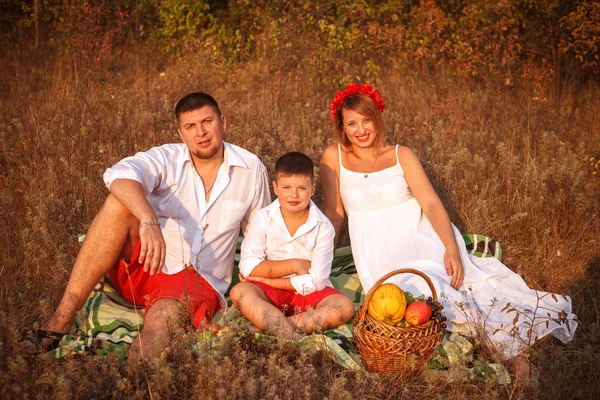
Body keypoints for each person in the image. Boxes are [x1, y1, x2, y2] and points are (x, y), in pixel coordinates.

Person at [320, 83, 577, 374]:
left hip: (420, 239)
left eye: (366, 120)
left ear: (377, 118)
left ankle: (511, 352)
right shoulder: (334, 157)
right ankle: (507, 348)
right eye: (352, 123)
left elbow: (430, 203)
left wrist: (451, 249)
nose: (361, 129)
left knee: (451, 290)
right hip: (379, 254)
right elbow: (335, 212)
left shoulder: (401, 154)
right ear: (342, 127)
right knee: (409, 293)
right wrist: (319, 257)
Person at [39, 92, 271, 359]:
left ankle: (135, 384)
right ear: (181, 133)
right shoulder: (167, 158)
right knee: (119, 203)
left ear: (223, 123)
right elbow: (118, 175)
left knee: (159, 326)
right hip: (145, 263)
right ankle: (62, 317)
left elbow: (260, 233)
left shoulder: (251, 169)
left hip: (193, 281)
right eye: (191, 126)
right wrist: (149, 221)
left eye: (208, 121)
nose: (201, 132)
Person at [230, 152, 355, 340]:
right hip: (269, 293)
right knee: (239, 293)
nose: (293, 195)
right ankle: (294, 337)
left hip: (304, 293)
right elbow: (248, 265)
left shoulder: (323, 226)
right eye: (286, 187)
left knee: (344, 307)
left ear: (312, 189)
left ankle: (275, 328)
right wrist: (295, 265)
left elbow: (317, 281)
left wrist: (268, 280)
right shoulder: (263, 217)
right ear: (275, 188)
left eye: (301, 188)